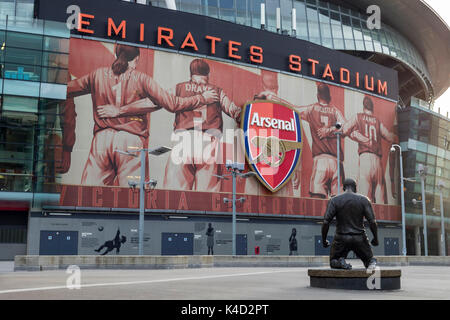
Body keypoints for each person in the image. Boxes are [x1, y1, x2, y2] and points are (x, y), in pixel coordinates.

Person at [60, 44, 218, 186]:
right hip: (132, 141)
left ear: (116, 56)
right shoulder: (143, 79)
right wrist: (201, 98)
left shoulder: (97, 75)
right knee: (133, 199)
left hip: (101, 141)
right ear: (136, 59)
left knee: (90, 195)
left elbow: (65, 90)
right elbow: (172, 104)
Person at [163, 58, 242, 192]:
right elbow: (234, 111)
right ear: (208, 74)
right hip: (209, 141)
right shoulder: (217, 91)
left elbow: (160, 100)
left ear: (191, 74)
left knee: (175, 196)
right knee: (207, 198)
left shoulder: (179, 87)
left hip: (183, 140)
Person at [343, 96, 395, 204]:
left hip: (365, 157)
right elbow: (389, 137)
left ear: (363, 106)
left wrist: (357, 136)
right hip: (377, 160)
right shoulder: (377, 121)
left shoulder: (358, 116)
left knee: (364, 194)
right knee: (380, 194)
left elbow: (344, 130)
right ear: (372, 108)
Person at [321, 178, 379, 270]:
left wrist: (324, 241)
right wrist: (376, 239)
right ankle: (371, 264)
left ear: (343, 188)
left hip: (341, 238)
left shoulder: (335, 200)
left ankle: (340, 262)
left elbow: (326, 222)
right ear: (355, 188)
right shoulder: (364, 200)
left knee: (333, 261)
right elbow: (372, 222)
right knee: (370, 260)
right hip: (359, 238)